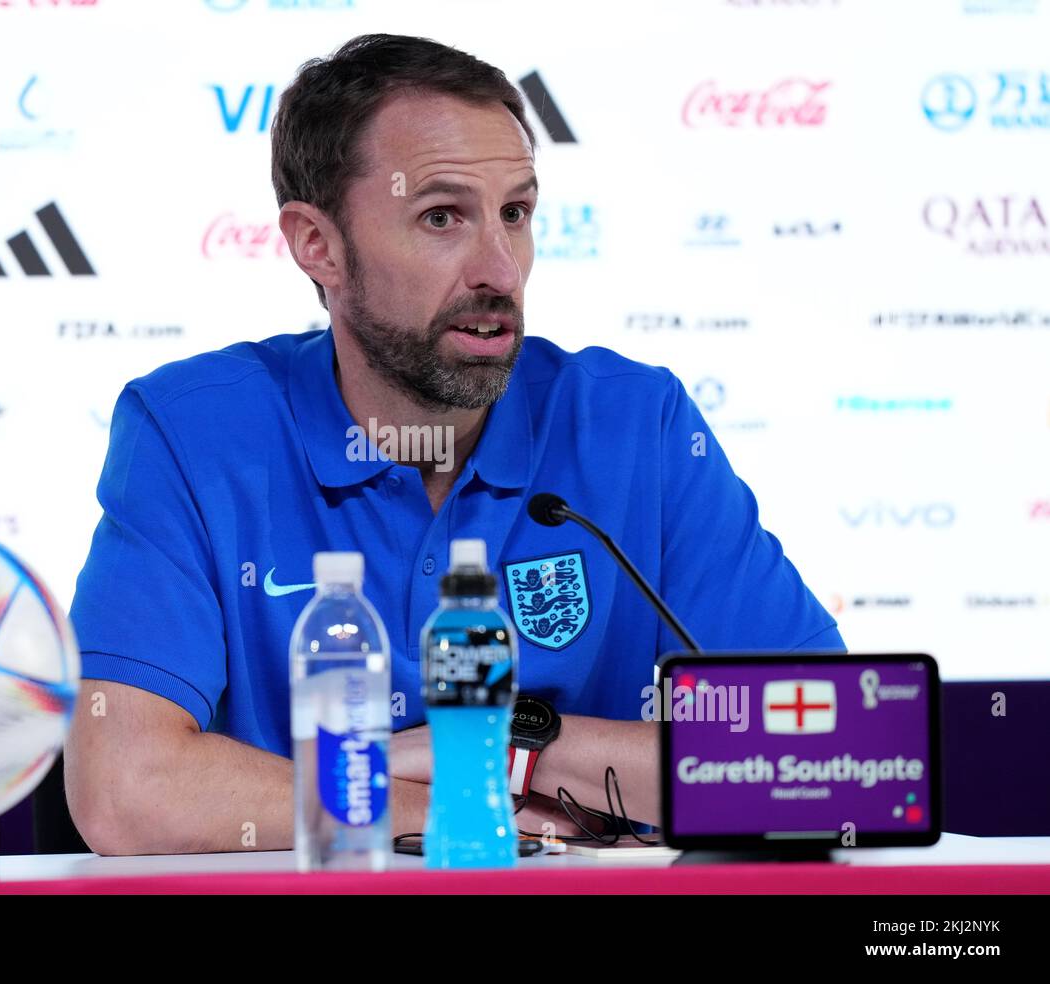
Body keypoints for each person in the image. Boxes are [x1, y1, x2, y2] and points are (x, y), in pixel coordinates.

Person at [64, 33, 844, 856]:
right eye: (443, 217)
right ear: (316, 245)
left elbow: (831, 763)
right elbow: (127, 791)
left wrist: (512, 745)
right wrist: (457, 809)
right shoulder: (194, 433)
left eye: (515, 213)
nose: (501, 270)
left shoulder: (633, 425)